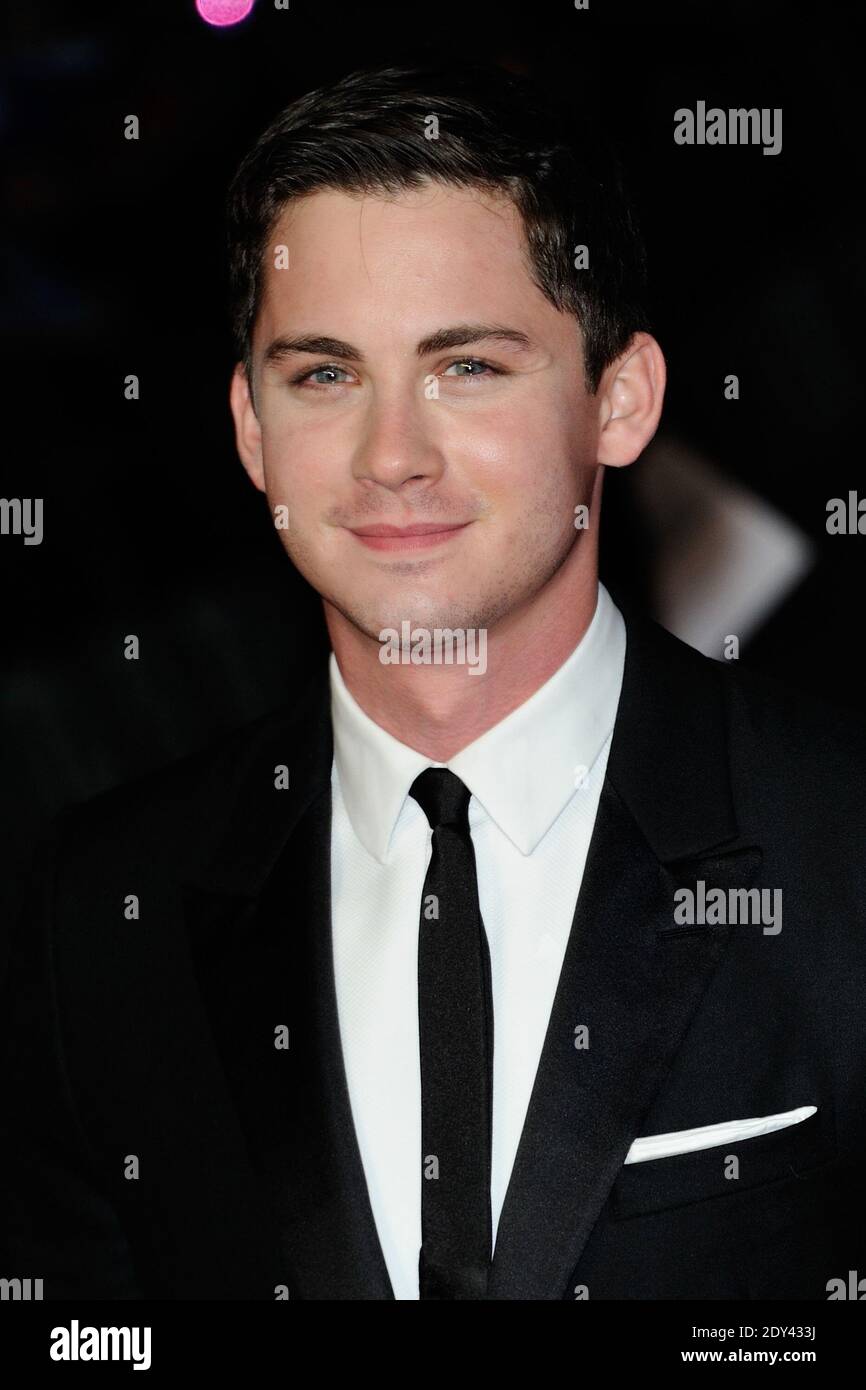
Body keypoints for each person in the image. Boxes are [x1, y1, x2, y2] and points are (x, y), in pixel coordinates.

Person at [2, 61, 864, 1301]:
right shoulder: (97, 910)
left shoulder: (836, 844)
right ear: (250, 429)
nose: (389, 456)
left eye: (466, 367)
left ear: (618, 401)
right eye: (324, 374)